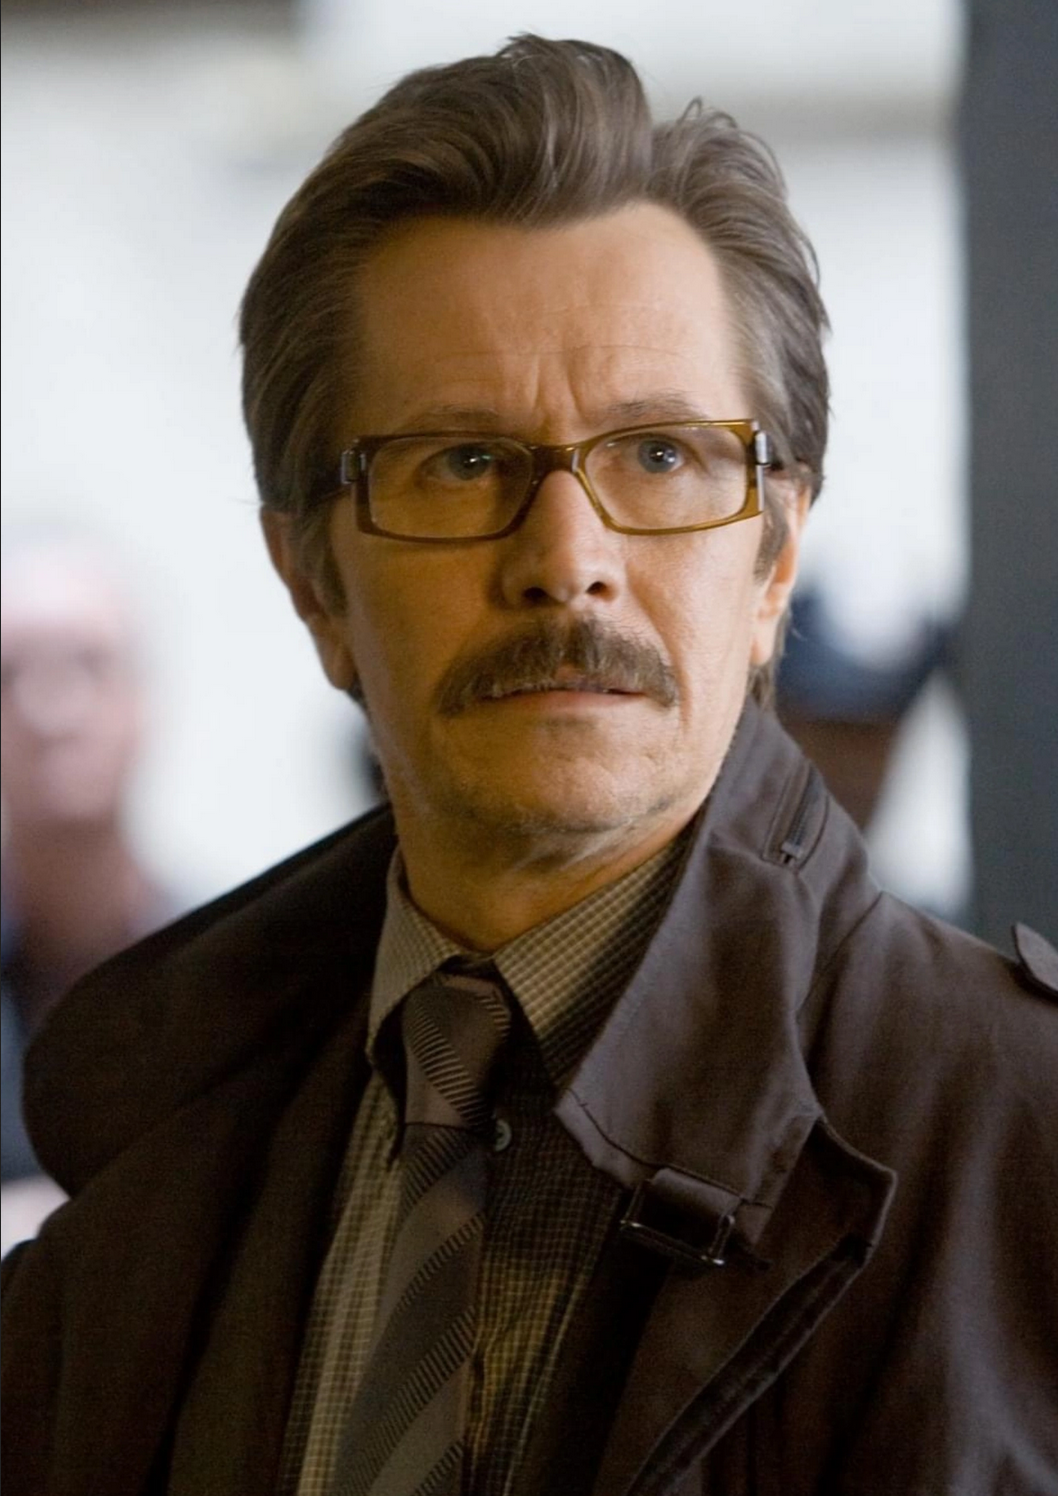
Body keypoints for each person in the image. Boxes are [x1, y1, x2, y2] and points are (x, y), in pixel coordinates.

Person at [2, 36, 1056, 1496]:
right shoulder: (146, 1194)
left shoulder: (1022, 1145)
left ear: (772, 562)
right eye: (460, 464)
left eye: (660, 456)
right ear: (312, 582)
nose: (567, 561)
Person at [0, 537, 180, 1241]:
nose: (51, 710)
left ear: (142, 701)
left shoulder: (234, 967)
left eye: (87, 664)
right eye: (9, 674)